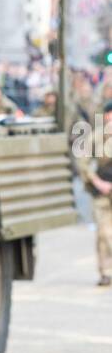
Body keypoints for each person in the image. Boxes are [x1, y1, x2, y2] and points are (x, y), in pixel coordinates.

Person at [75, 103, 112, 287]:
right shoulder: (96, 137)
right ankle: (106, 272)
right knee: (104, 234)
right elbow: (83, 162)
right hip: (103, 192)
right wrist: (97, 182)